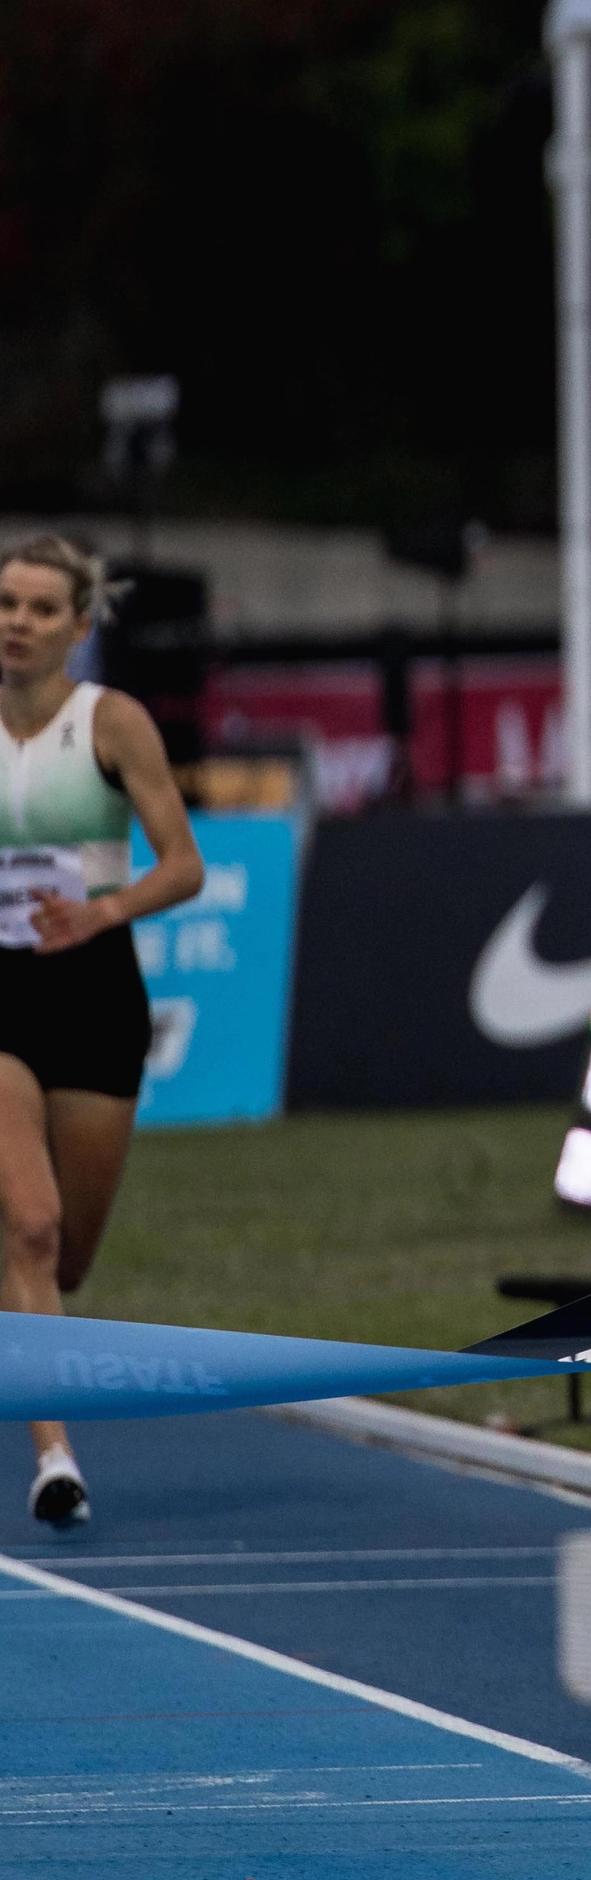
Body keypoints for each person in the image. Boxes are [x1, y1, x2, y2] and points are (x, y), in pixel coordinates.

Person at [0, 535, 206, 1527]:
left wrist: (103, 912)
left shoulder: (112, 723)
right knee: (28, 1225)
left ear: (79, 626)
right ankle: (54, 1460)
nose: (16, 623)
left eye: (40, 609)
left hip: (91, 991)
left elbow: (184, 865)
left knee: (66, 1257)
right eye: (5, 604)